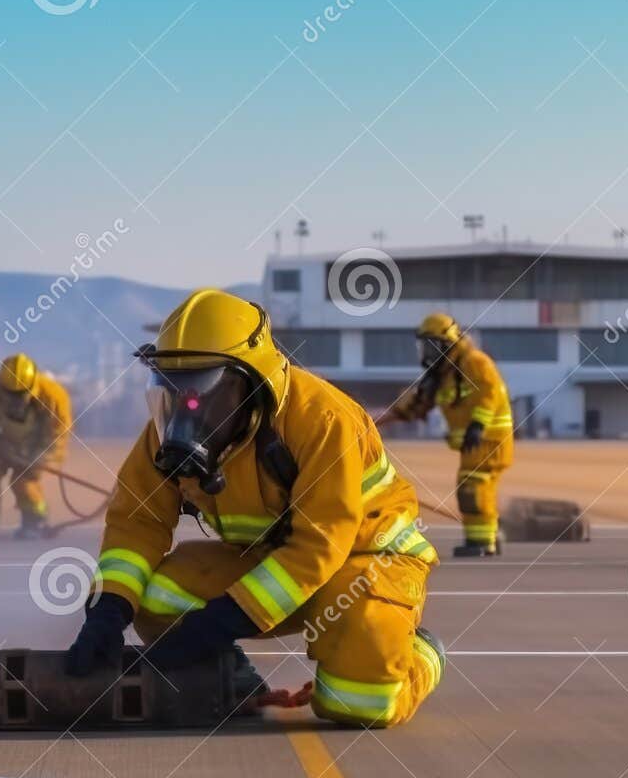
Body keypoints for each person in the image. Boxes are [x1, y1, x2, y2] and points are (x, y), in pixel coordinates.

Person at [64, 288, 444, 728]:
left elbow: (318, 545)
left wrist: (220, 622)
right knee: (157, 596)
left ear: (251, 386)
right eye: (174, 387)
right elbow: (137, 522)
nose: (188, 407)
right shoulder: (165, 436)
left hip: (361, 562)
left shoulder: (321, 420)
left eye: (203, 389)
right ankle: (236, 681)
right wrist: (109, 609)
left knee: (359, 704)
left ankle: (419, 655)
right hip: (272, 564)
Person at [382, 313, 513, 557]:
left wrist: (478, 425)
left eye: (432, 345)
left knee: (472, 488)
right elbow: (415, 405)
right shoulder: (442, 374)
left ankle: (482, 543)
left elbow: (489, 392)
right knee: (473, 487)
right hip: (474, 443)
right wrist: (373, 422)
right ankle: (489, 537)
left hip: (489, 439)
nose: (426, 352)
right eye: (424, 345)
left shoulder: (474, 361)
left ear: (447, 344)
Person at [0, 354, 71, 539]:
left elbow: (58, 433)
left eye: (20, 395)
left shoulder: (53, 395)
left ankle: (34, 522)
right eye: (10, 394)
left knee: (25, 482)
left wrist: (41, 457)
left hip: (32, 449)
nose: (15, 400)